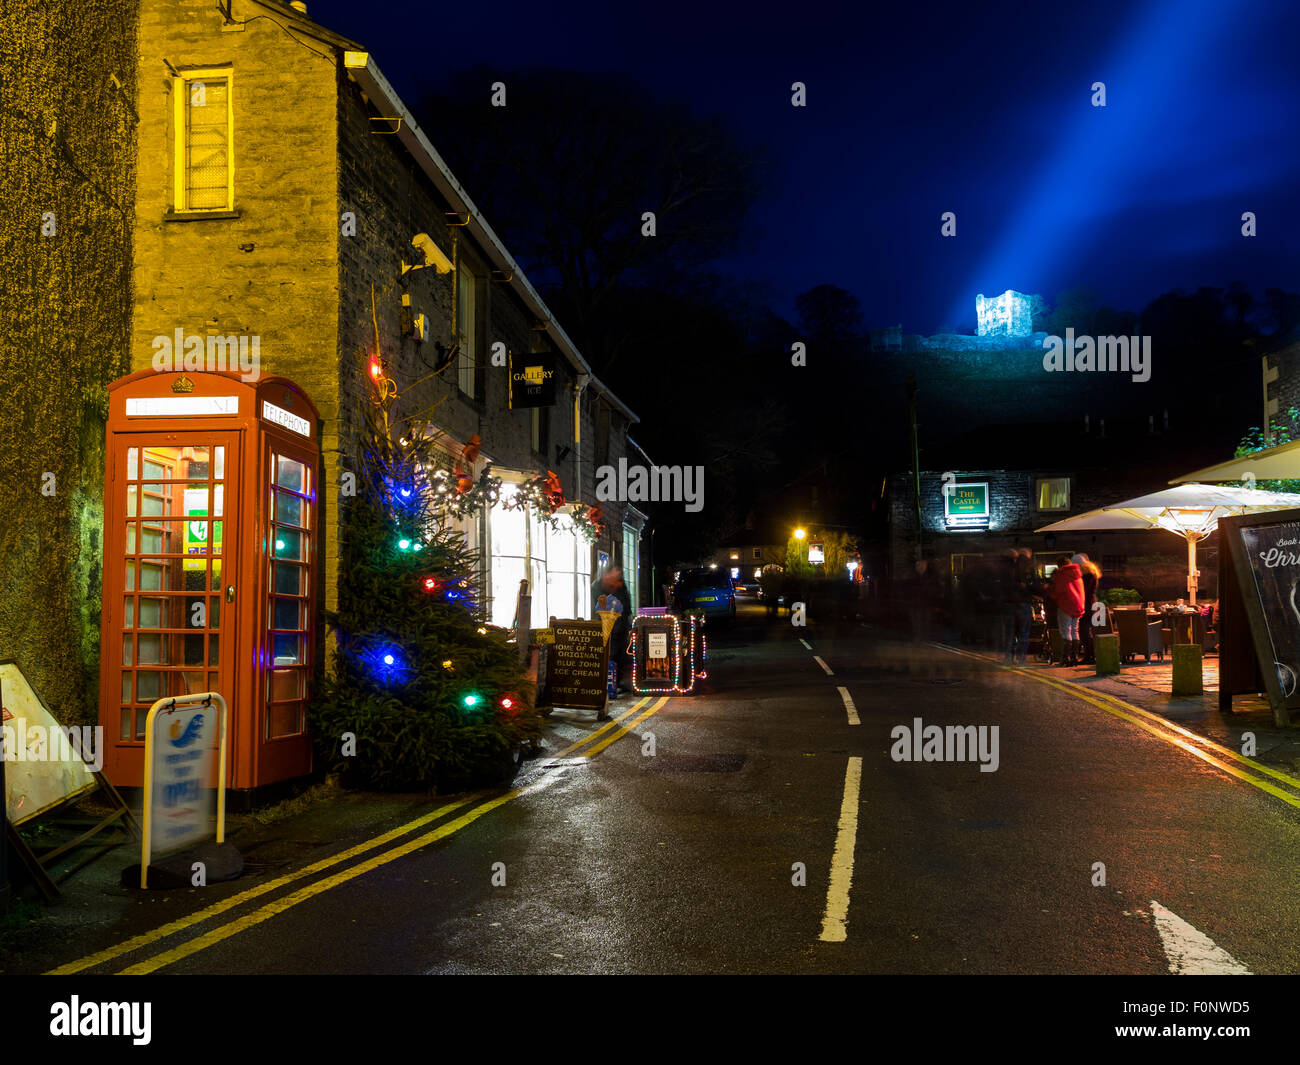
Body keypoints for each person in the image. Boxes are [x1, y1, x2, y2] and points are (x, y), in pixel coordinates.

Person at [592, 565, 632, 693]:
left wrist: (627, 625)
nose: (619, 582)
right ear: (607, 575)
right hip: (606, 628)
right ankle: (609, 684)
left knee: (621, 656)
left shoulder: (620, 586)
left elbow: (626, 607)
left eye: (619, 578)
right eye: (616, 577)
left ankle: (617, 683)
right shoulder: (597, 587)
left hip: (621, 628)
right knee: (609, 656)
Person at [1048, 554, 1086, 666]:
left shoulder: (1062, 574)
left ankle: (1065, 659)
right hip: (1078, 605)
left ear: (1060, 565)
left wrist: (1050, 591)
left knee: (1066, 632)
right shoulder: (1077, 574)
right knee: (1075, 631)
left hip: (1066, 605)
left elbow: (1058, 591)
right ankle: (1074, 658)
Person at [1072, 553, 1102, 665]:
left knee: (1085, 631)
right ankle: (1089, 655)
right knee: (1085, 631)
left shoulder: (1087, 576)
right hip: (1089, 605)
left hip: (1087, 606)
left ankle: (1090, 656)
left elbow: (1083, 591)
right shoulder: (1090, 574)